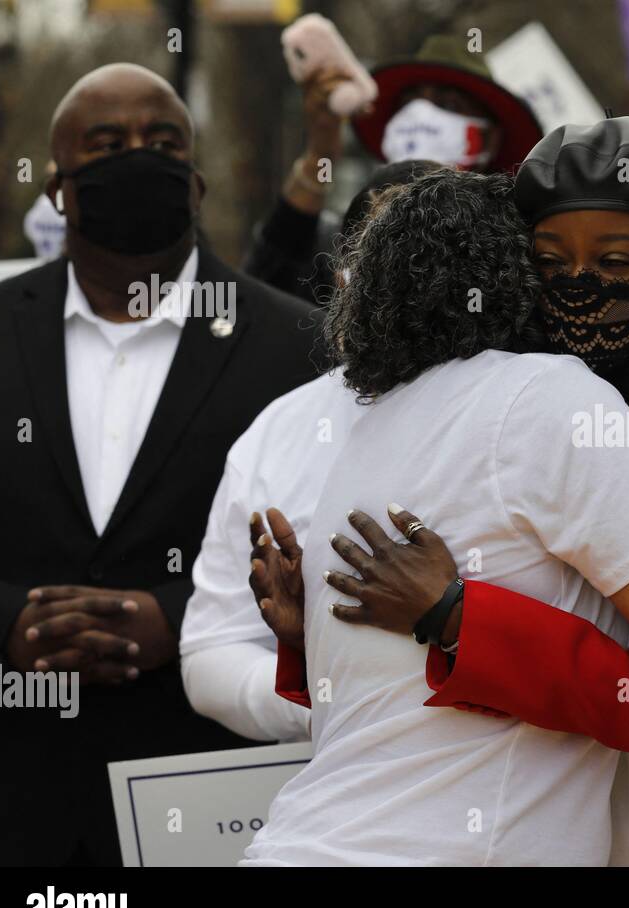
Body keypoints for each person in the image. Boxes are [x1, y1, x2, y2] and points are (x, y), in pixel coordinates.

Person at [242, 161, 629, 866]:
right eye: (553, 263)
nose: (577, 286)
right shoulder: (542, 396)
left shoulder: (369, 426)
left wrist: (324, 637)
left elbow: (395, 715)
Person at [0, 63, 319, 866]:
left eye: (162, 142)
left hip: (212, 787)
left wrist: (182, 618)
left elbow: (328, 541)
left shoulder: (298, 348)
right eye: (107, 144)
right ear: (59, 188)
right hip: (7, 787)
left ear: (195, 182)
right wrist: (9, 627)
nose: (139, 156)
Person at [179, 160, 441, 743]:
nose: (415, 288)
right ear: (344, 279)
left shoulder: (546, 408)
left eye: (439, 262)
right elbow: (211, 652)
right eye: (383, 262)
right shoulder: (280, 432)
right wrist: (329, 697)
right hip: (330, 802)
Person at [243, 34, 542, 304]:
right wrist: (320, 151)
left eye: (449, 105)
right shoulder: (336, 243)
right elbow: (262, 288)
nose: (420, 115)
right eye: (409, 103)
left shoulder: (517, 252)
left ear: (489, 139)